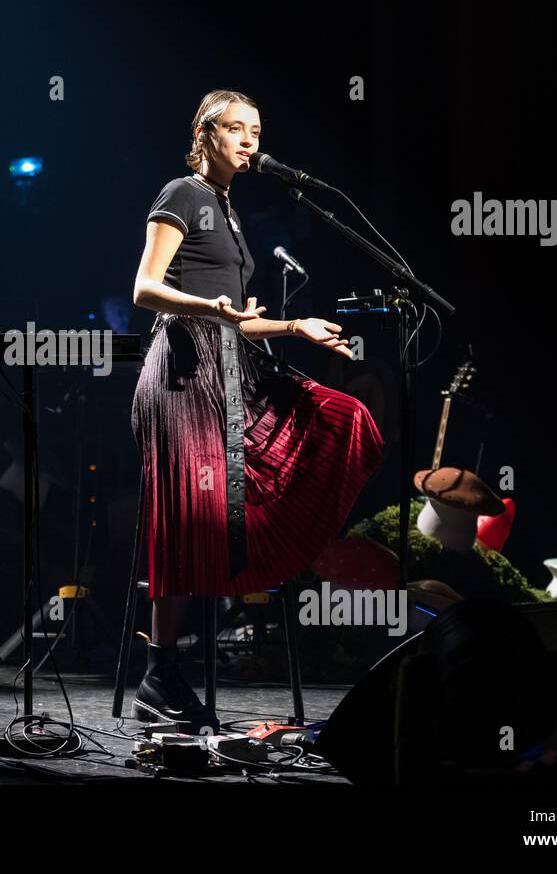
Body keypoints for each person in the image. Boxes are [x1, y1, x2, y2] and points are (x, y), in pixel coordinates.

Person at [130, 89, 385, 730]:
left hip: (227, 366)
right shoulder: (183, 194)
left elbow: (237, 322)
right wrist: (210, 311)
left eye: (257, 130)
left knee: (341, 415)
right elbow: (145, 289)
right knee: (189, 516)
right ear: (204, 133)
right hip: (183, 376)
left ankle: (182, 653)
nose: (250, 140)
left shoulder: (228, 209)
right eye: (237, 129)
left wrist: (294, 326)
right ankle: (160, 671)